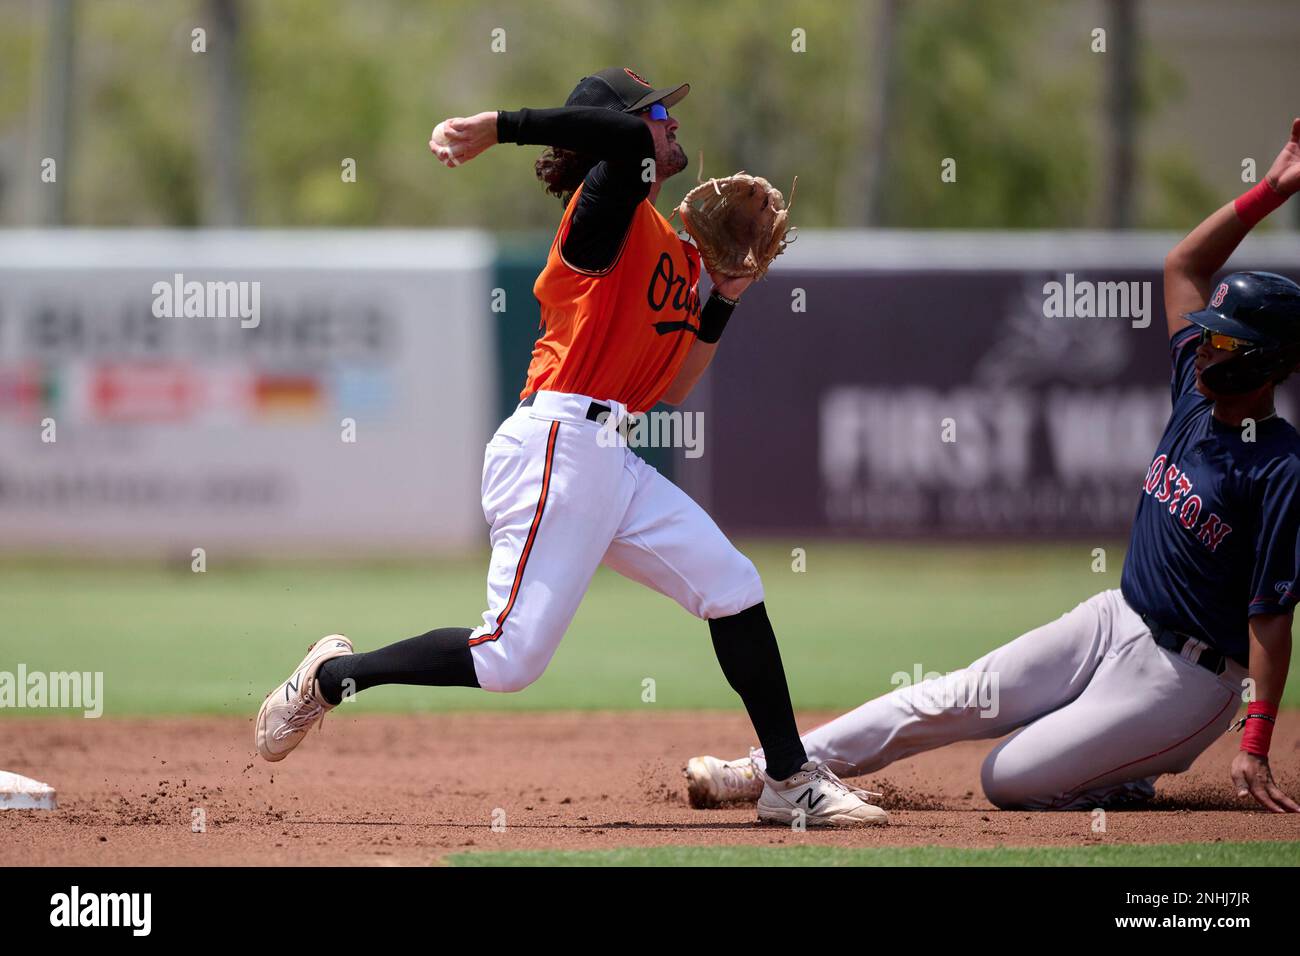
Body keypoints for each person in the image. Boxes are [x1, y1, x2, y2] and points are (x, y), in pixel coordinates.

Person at [254, 67, 886, 827]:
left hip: (608, 457)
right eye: (660, 114)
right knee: (507, 660)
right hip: (553, 445)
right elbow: (619, 143)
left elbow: (674, 388)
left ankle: (790, 779)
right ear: (623, 127)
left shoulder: (676, 250)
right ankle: (330, 678)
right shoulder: (605, 210)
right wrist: (498, 125)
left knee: (733, 585)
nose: (673, 126)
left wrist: (721, 297)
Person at [686, 119, 1300, 815]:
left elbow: (1272, 618)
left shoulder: (1281, 467)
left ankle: (1116, 768)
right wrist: (1271, 190)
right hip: (1116, 617)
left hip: (1191, 679)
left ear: (1269, 360)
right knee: (948, 697)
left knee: (1008, 778)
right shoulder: (1195, 391)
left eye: (1227, 340)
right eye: (1211, 335)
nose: (1208, 347)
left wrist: (1254, 740)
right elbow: (1184, 267)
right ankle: (770, 768)